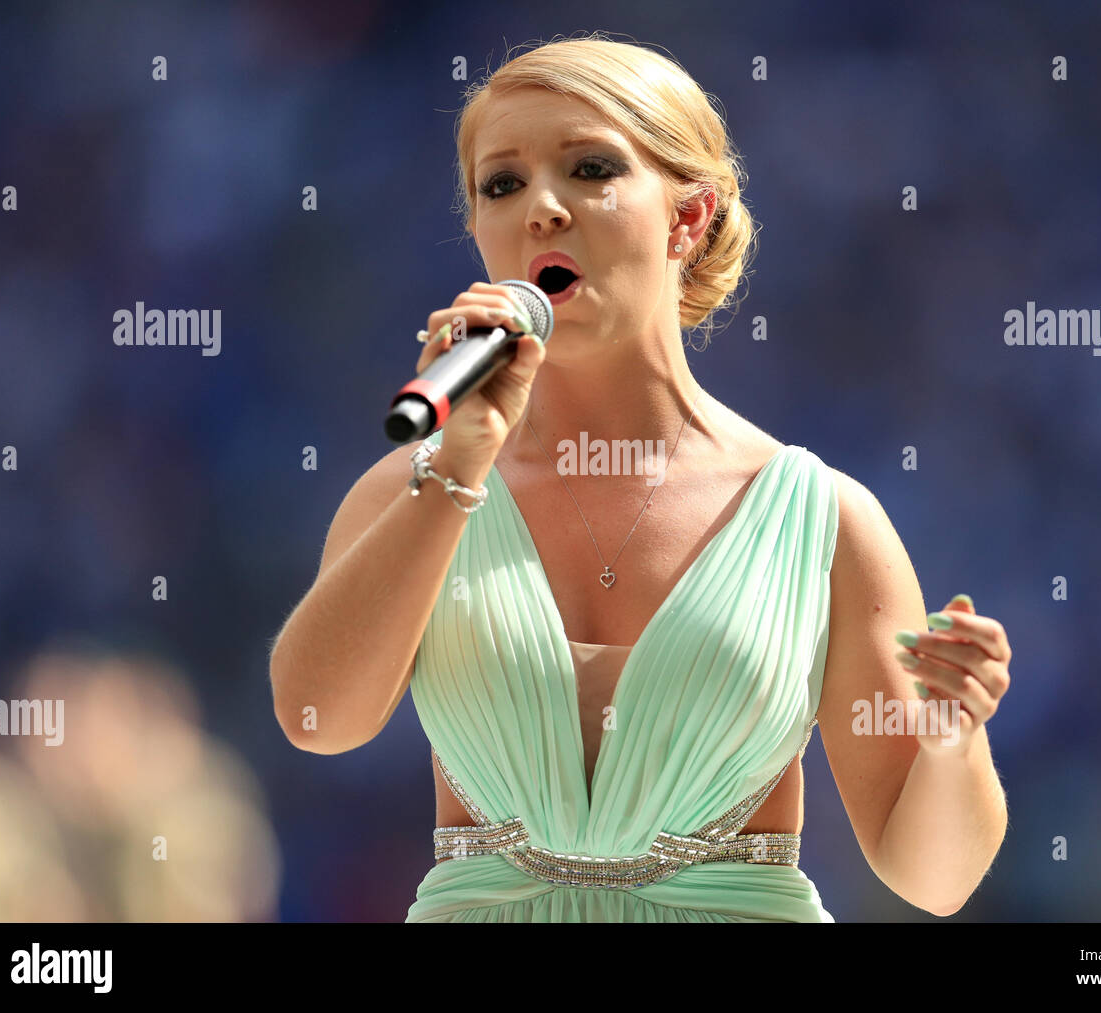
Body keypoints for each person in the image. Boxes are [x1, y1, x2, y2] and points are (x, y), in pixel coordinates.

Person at [269, 33, 1013, 923]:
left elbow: (934, 881)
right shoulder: (414, 485)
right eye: (502, 184)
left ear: (688, 218)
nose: (541, 206)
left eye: (589, 169)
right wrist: (459, 466)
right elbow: (318, 721)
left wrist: (951, 740)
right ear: (478, 231)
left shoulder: (823, 520)